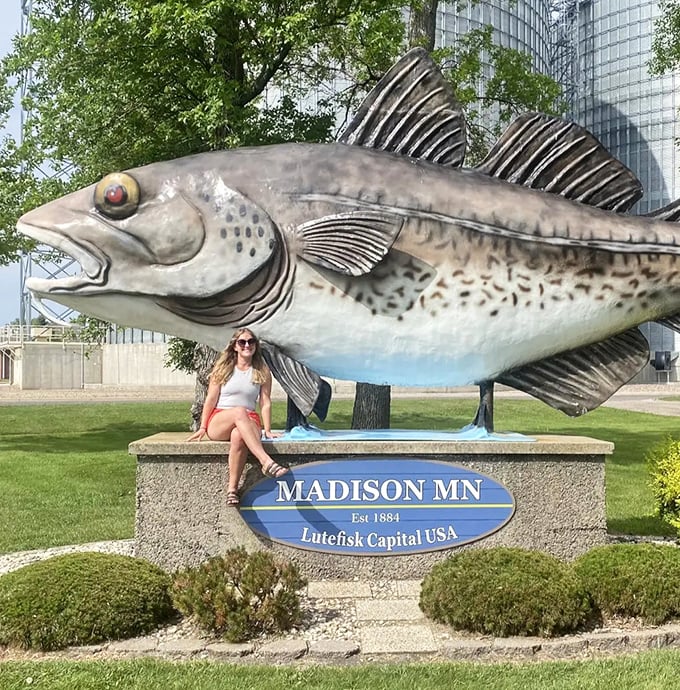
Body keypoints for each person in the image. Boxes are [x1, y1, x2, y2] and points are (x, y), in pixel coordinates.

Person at [188, 328, 288, 506]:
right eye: (242, 342)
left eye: (251, 342)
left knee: (238, 435)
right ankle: (265, 461)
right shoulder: (223, 369)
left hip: (249, 420)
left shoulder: (262, 371)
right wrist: (202, 427)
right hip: (220, 420)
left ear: (256, 345)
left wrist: (268, 429)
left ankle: (232, 490)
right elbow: (210, 400)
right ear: (234, 346)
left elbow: (265, 402)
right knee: (239, 411)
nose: (247, 345)